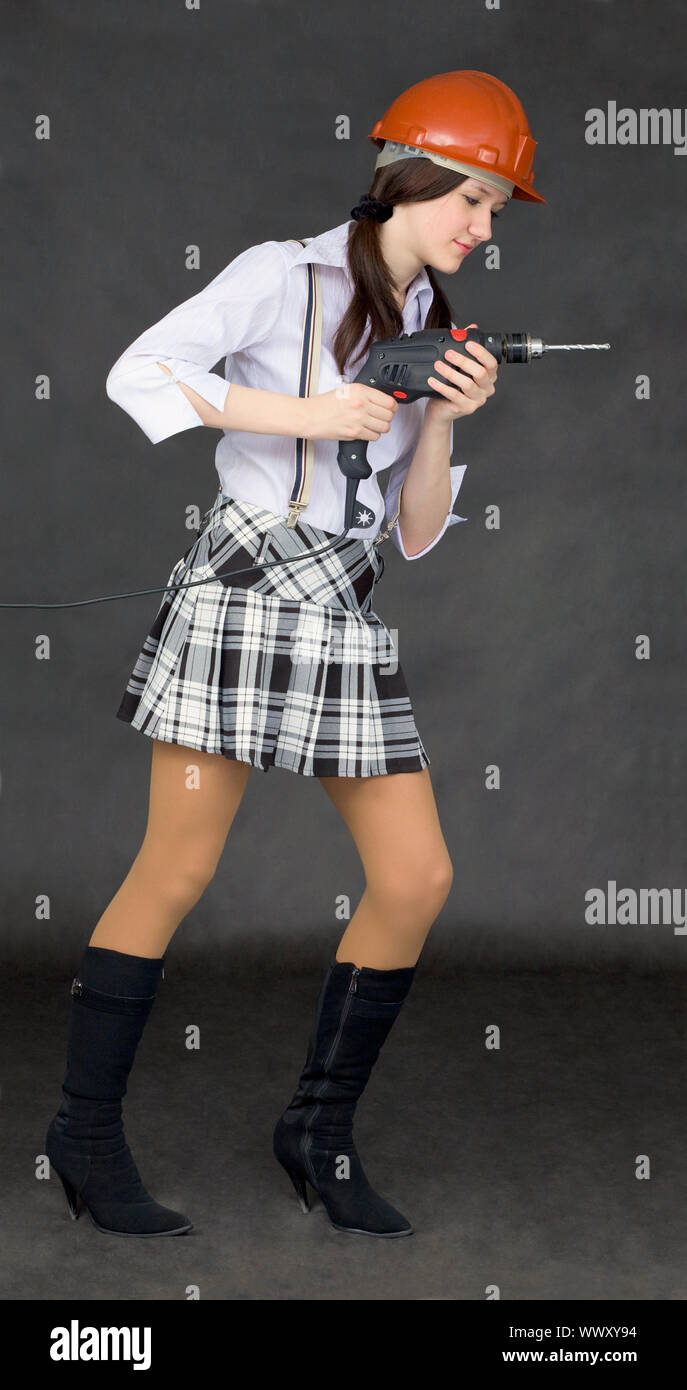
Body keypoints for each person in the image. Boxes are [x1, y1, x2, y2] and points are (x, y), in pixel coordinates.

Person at [45, 70, 544, 1240]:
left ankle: (315, 1132)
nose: (482, 228)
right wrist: (305, 418)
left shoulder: (431, 329)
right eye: (472, 200)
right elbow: (137, 373)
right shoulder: (283, 274)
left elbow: (416, 536)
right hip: (245, 593)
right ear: (408, 180)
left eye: (494, 215)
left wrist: (449, 419)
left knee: (416, 877)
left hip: (347, 602)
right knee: (173, 871)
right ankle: (82, 1132)